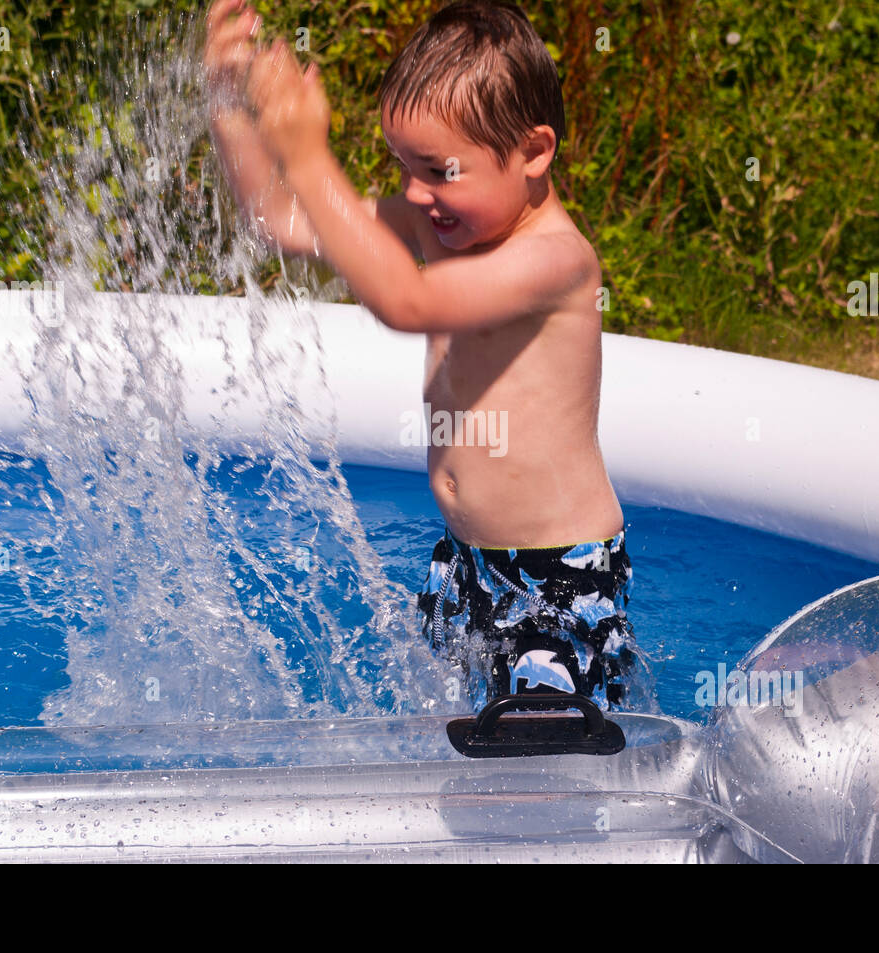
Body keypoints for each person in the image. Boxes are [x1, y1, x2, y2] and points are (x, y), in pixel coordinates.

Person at [205, 0, 640, 709]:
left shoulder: (557, 262)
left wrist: (312, 156)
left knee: (547, 768)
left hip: (558, 579)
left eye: (439, 170)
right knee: (459, 740)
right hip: (465, 562)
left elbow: (406, 301)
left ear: (534, 151)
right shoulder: (437, 223)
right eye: (401, 166)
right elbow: (278, 221)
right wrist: (229, 104)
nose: (414, 193)